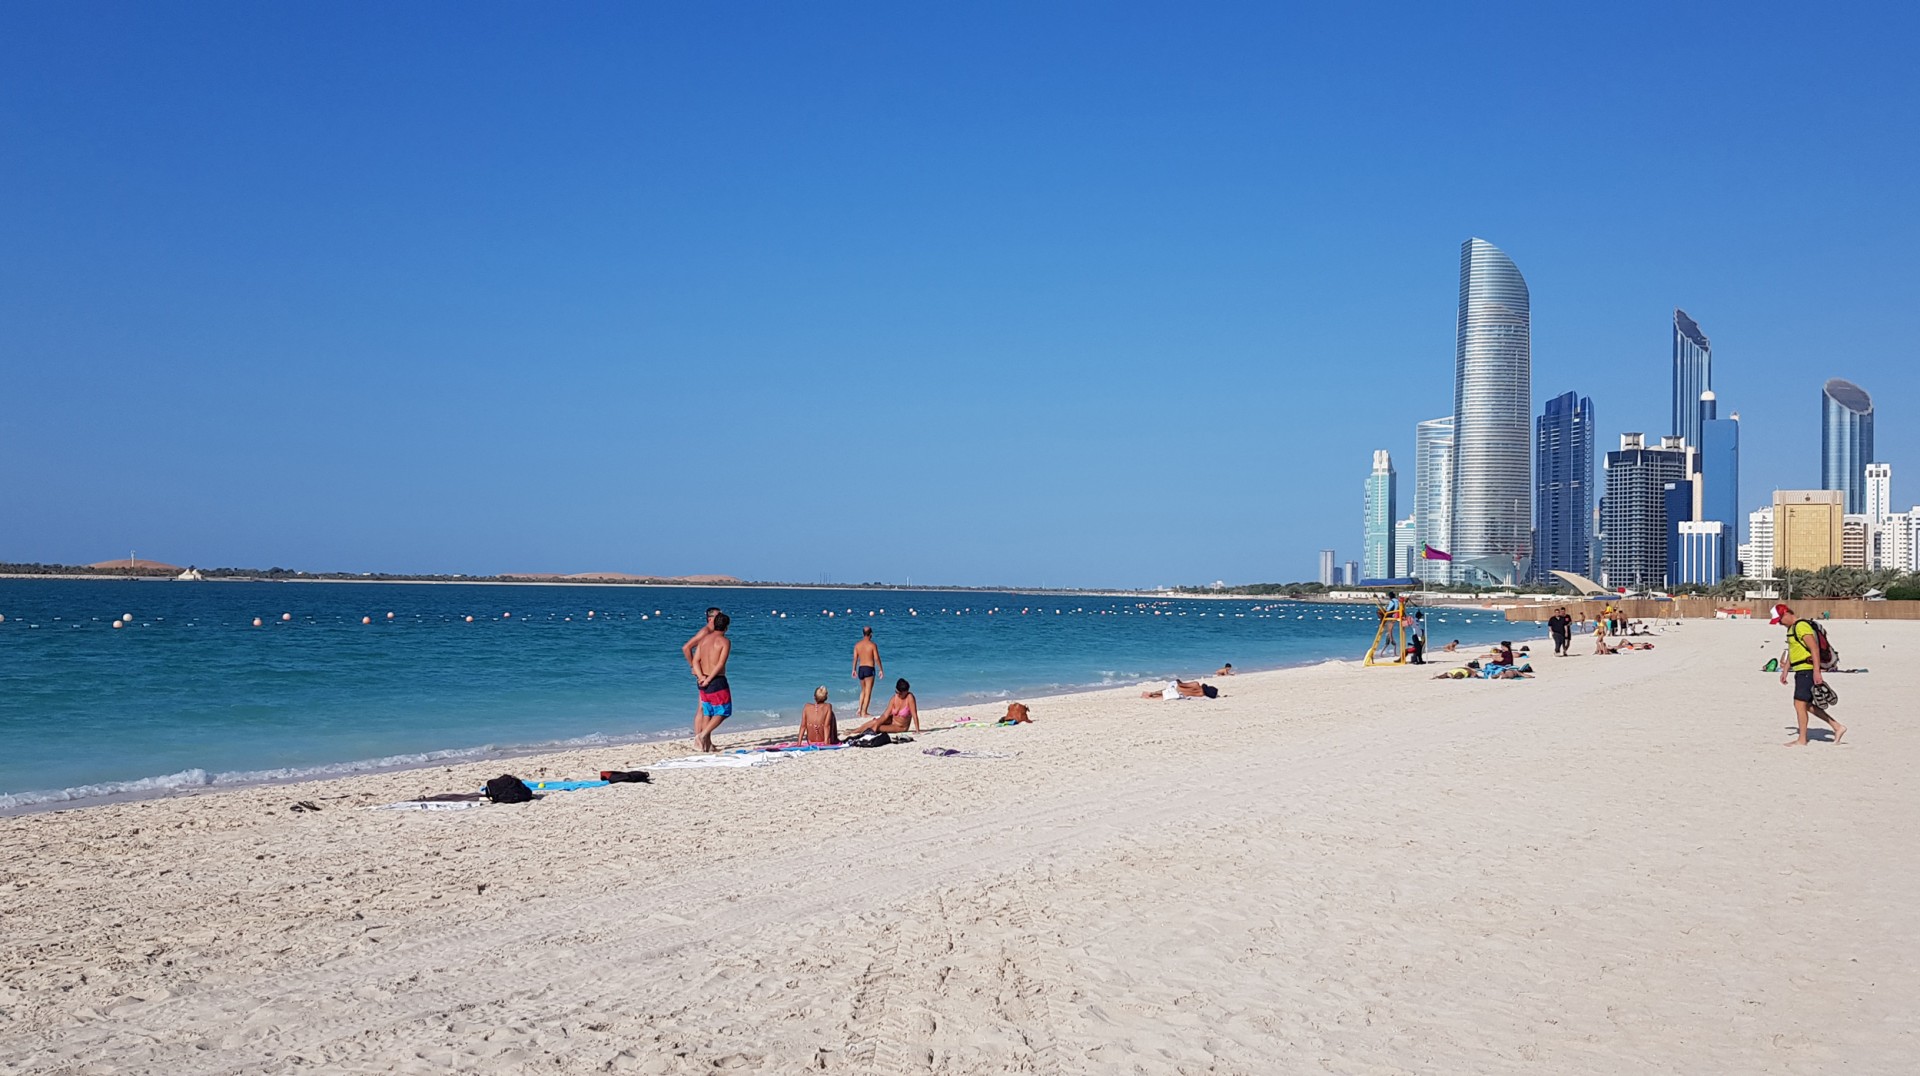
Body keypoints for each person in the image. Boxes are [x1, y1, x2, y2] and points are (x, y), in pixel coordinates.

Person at [1773, 604, 1846, 747]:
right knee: (1805, 705)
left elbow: (1814, 649)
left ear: (1787, 613)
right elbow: (1793, 650)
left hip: (1807, 670)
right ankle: (1837, 727)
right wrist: (1786, 670)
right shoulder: (1792, 629)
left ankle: (1802, 739)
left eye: (1780, 619)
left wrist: (1817, 671)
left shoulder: (1801, 626)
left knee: (1799, 703)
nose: (1779, 623)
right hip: (1800, 670)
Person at [691, 612, 733, 752]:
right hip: (716, 680)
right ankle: (702, 736)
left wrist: (701, 676)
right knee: (724, 711)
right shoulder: (724, 641)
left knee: (708, 712)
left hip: (702, 679)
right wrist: (708, 679)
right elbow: (720, 664)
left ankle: (707, 745)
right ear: (726, 627)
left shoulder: (703, 640)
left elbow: (696, 661)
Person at [850, 678, 920, 735]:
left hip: (900, 727)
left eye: (900, 693)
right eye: (896, 692)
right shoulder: (894, 698)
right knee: (875, 722)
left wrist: (917, 731)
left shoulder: (910, 698)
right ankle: (855, 731)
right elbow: (885, 715)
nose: (898, 694)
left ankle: (856, 731)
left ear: (905, 692)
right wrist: (877, 723)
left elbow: (914, 714)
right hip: (891, 720)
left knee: (878, 728)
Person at [851, 626, 883, 717]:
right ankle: (864, 712)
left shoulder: (857, 645)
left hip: (861, 669)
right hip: (869, 669)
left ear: (863, 634)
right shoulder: (872, 645)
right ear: (871, 634)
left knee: (863, 690)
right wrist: (881, 669)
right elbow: (876, 658)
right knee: (868, 691)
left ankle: (860, 709)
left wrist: (853, 669)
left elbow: (855, 658)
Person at [1141, 679, 1218, 699]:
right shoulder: (1201, 694)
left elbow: (1181, 684)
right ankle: (1152, 696)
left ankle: (1151, 693)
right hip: (1177, 695)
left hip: (1175, 688)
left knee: (1169, 688)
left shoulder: (1196, 684)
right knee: (1166, 693)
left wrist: (1178, 680)